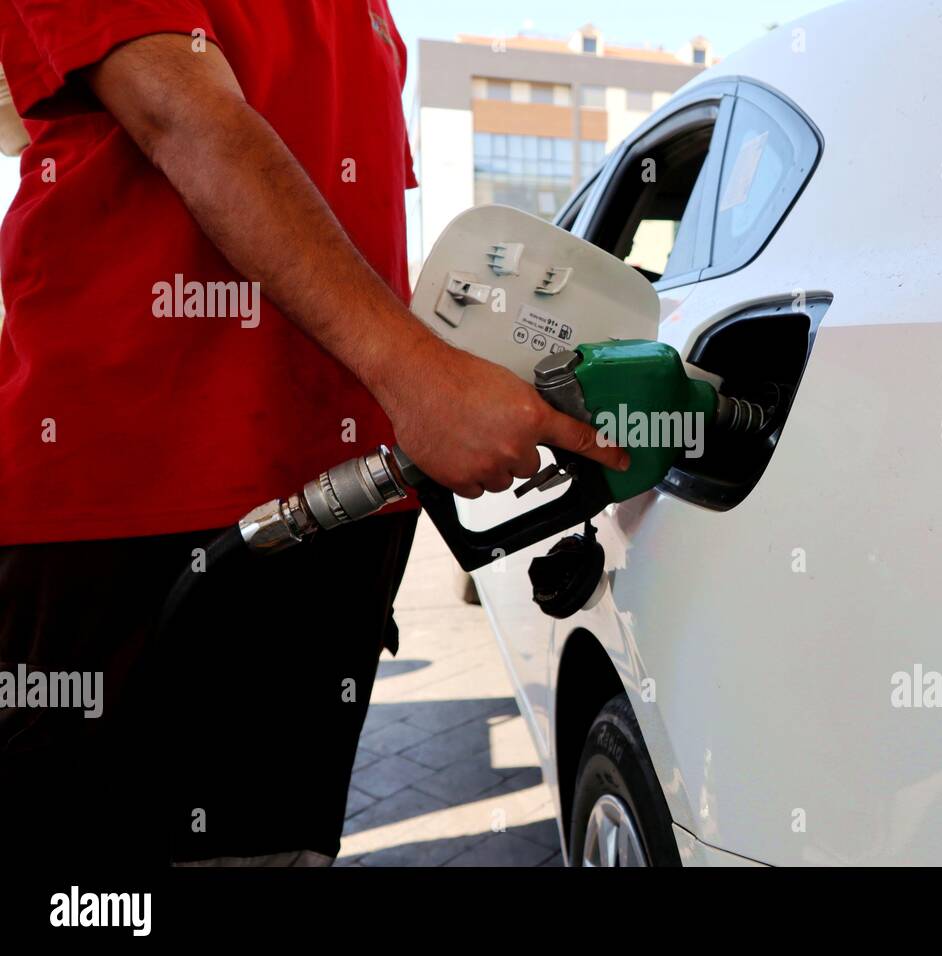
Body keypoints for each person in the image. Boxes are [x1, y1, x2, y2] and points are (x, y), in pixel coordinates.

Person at [0, 0, 627, 866]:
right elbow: (182, 112)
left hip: (343, 512)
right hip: (134, 508)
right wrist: (417, 375)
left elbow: (347, 219)